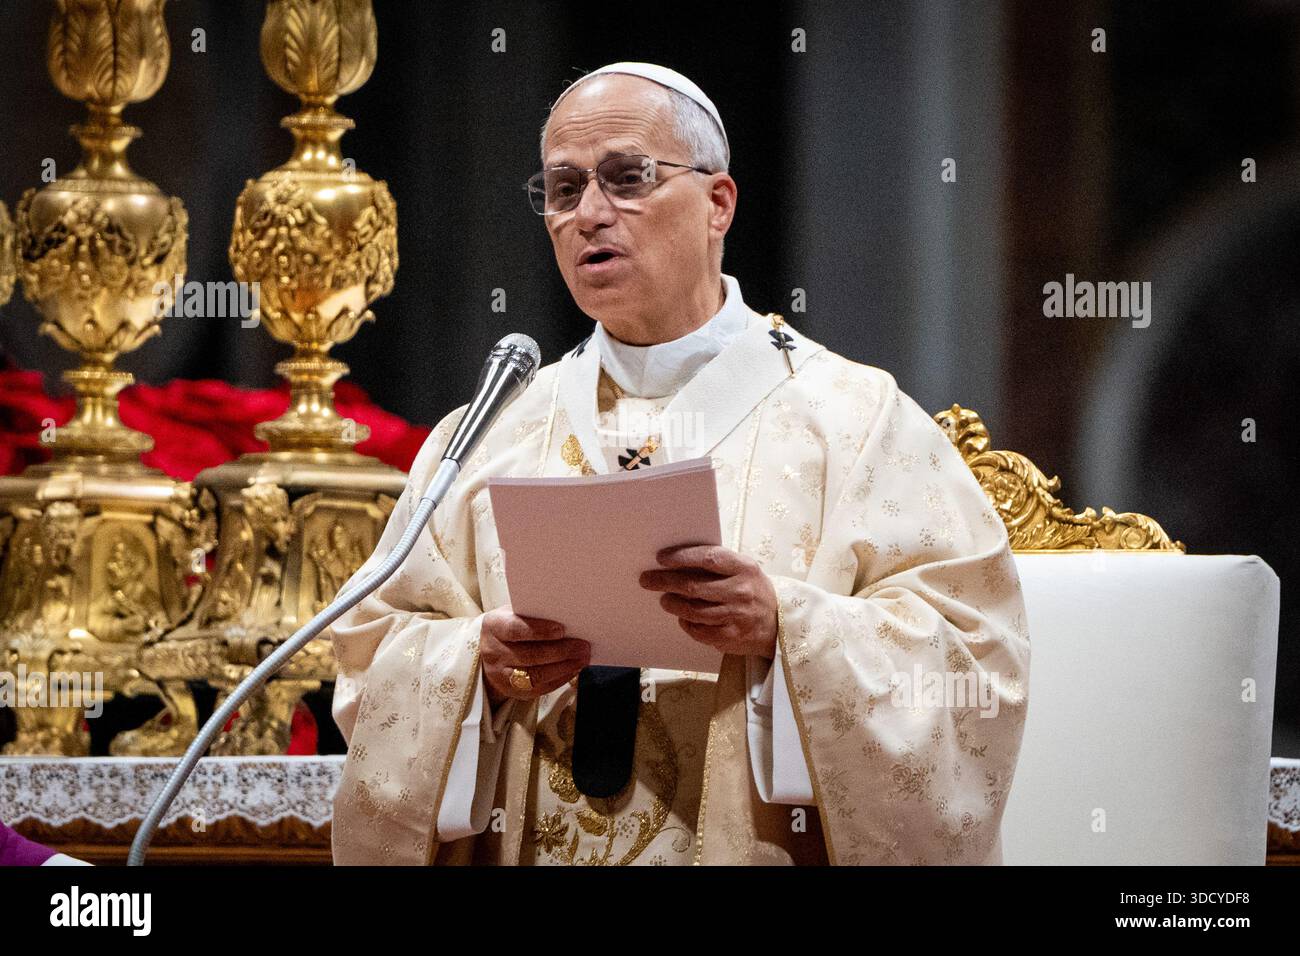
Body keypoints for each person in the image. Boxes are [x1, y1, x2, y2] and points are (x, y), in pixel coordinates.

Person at [329, 62, 1030, 865]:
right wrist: (474, 665)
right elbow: (372, 651)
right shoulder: (491, 433)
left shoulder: (854, 419)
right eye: (563, 190)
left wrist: (786, 630)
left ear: (717, 204)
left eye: (627, 178)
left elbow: (976, 662)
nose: (591, 213)